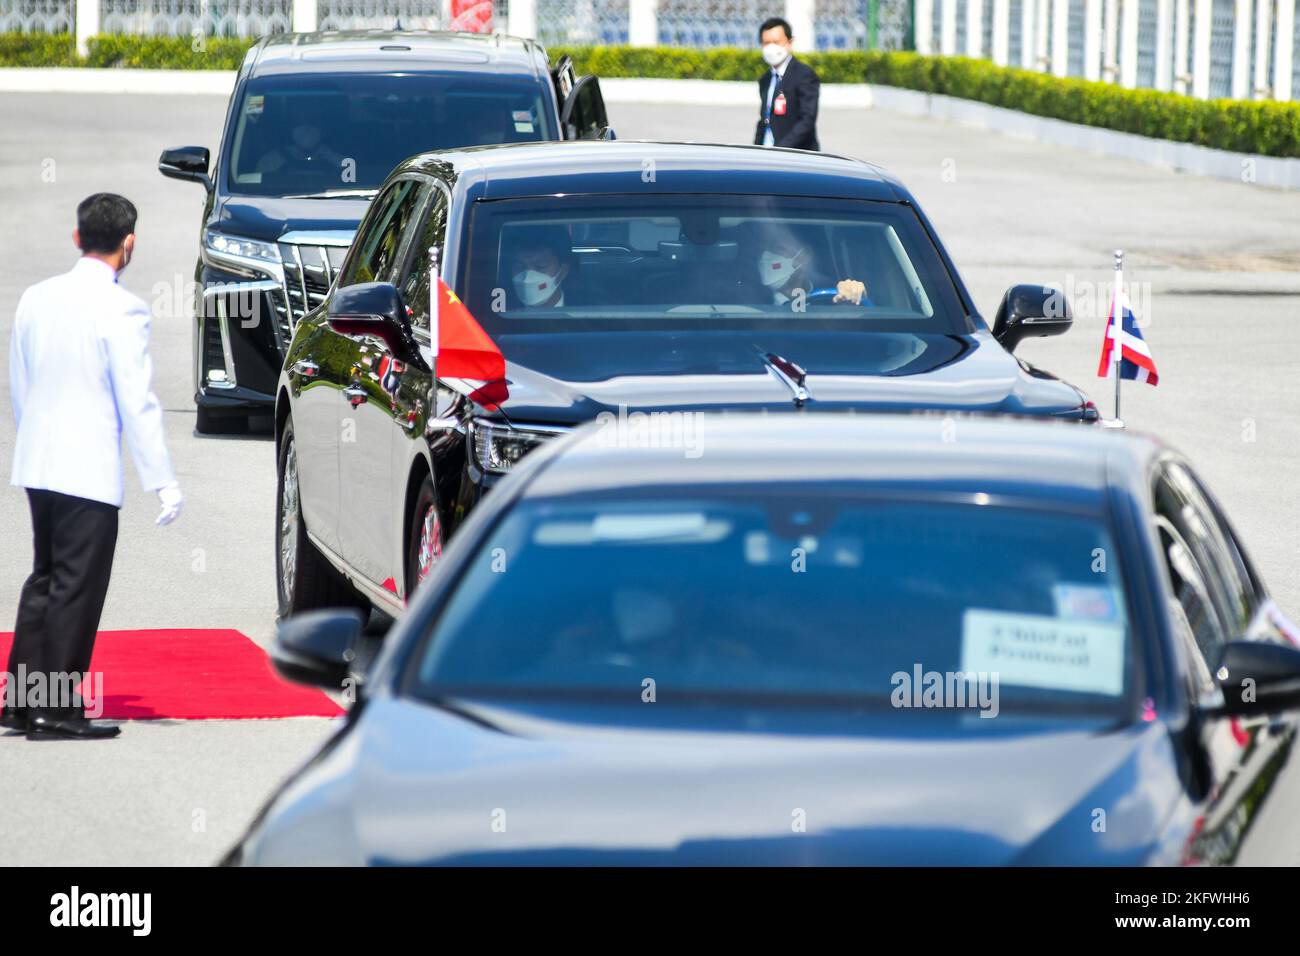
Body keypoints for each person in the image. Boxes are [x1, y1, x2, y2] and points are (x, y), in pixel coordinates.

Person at [4, 194, 182, 741]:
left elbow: (20, 378)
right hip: (86, 468)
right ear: (129, 243)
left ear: (76, 237)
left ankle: (24, 699)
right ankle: (54, 710)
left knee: (46, 578)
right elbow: (138, 400)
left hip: (39, 460)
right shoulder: (122, 309)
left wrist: (31, 437)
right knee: (76, 587)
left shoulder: (36, 296)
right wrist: (162, 480)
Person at [753, 228, 868, 307]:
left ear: (804, 256)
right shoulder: (748, 302)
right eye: (762, 250)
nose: (766, 256)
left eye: (778, 248)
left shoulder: (832, 297)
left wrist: (853, 296)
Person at [753, 17, 821, 151]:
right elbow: (765, 118)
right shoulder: (765, 79)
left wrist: (781, 149)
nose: (771, 47)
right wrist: (755, 149)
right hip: (767, 154)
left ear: (789, 42)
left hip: (795, 154)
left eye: (776, 42)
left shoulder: (804, 75)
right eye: (766, 43)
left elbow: (807, 120)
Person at [507, 225, 576, 308]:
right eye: (519, 266)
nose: (527, 278)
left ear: (563, 271)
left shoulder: (586, 312)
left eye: (540, 266)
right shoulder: (497, 310)